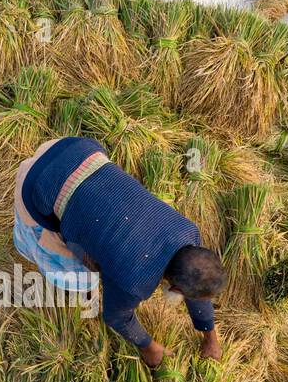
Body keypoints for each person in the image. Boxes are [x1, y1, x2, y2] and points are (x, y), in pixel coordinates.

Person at [14, 136, 225, 368]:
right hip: (38, 185)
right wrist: (149, 348)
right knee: (75, 272)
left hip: (78, 150)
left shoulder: (188, 232)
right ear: (174, 289)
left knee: (94, 242)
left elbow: (197, 279)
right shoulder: (135, 281)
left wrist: (210, 337)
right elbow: (116, 317)